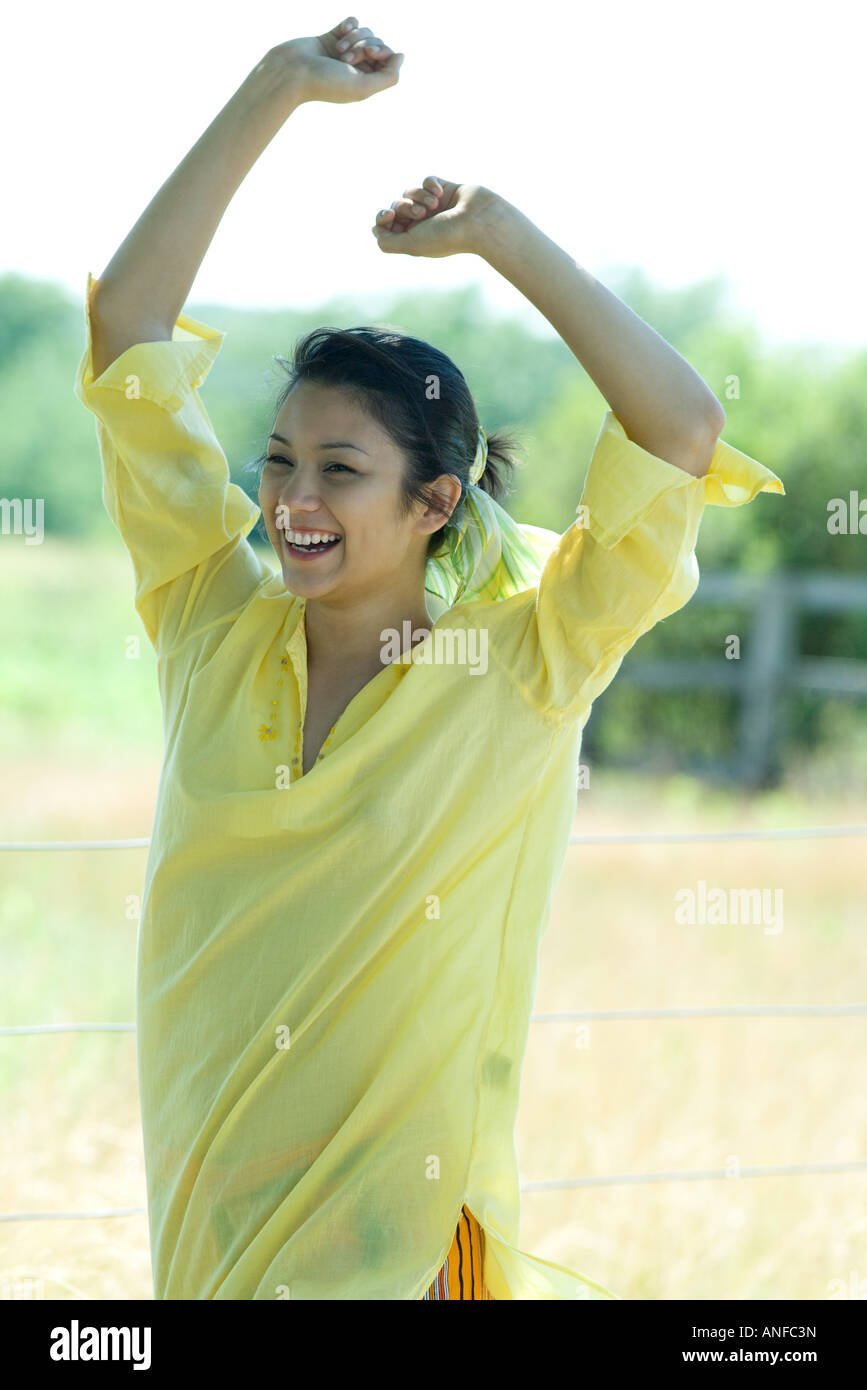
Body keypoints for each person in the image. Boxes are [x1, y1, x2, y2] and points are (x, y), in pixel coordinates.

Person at [73, 15, 785, 1300]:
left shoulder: (525, 664)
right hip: (213, 1234)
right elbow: (130, 325)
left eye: (342, 469)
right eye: (281, 459)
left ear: (435, 502)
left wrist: (499, 233)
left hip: (399, 1253)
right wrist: (279, 86)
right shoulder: (206, 618)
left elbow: (681, 429)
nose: (294, 494)